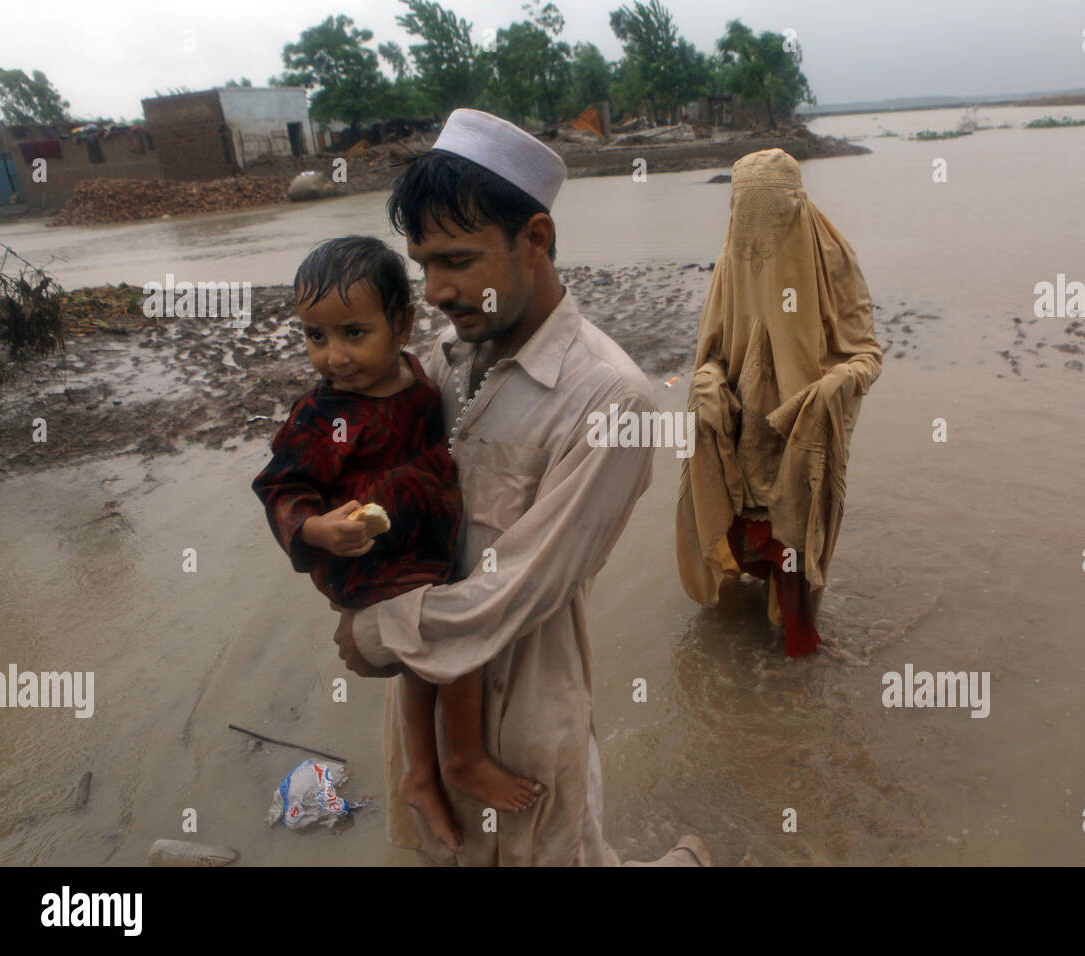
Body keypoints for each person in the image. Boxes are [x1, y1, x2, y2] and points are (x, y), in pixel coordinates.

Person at [330, 108, 709, 866]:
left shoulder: (611, 400)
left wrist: (372, 632)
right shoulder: (441, 361)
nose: (435, 290)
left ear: (534, 240)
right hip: (422, 694)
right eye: (422, 264)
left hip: (520, 706)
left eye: (458, 262)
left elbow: (517, 591)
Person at [252, 236, 542, 858]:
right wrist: (316, 528)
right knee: (456, 635)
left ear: (402, 323)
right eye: (315, 336)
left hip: (420, 543)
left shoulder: (418, 375)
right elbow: (280, 486)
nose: (335, 357)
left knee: (420, 658)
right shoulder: (322, 413)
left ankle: (418, 773)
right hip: (368, 554)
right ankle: (460, 758)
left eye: (354, 333)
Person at [675, 148, 883, 657]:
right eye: (748, 216)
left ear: (797, 203)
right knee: (745, 534)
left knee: (794, 547)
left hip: (803, 427)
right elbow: (715, 350)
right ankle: (754, 665)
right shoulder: (733, 258)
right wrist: (707, 382)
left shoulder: (831, 257)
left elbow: (866, 353)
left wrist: (836, 384)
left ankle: (794, 682)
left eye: (771, 215)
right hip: (742, 423)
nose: (758, 231)